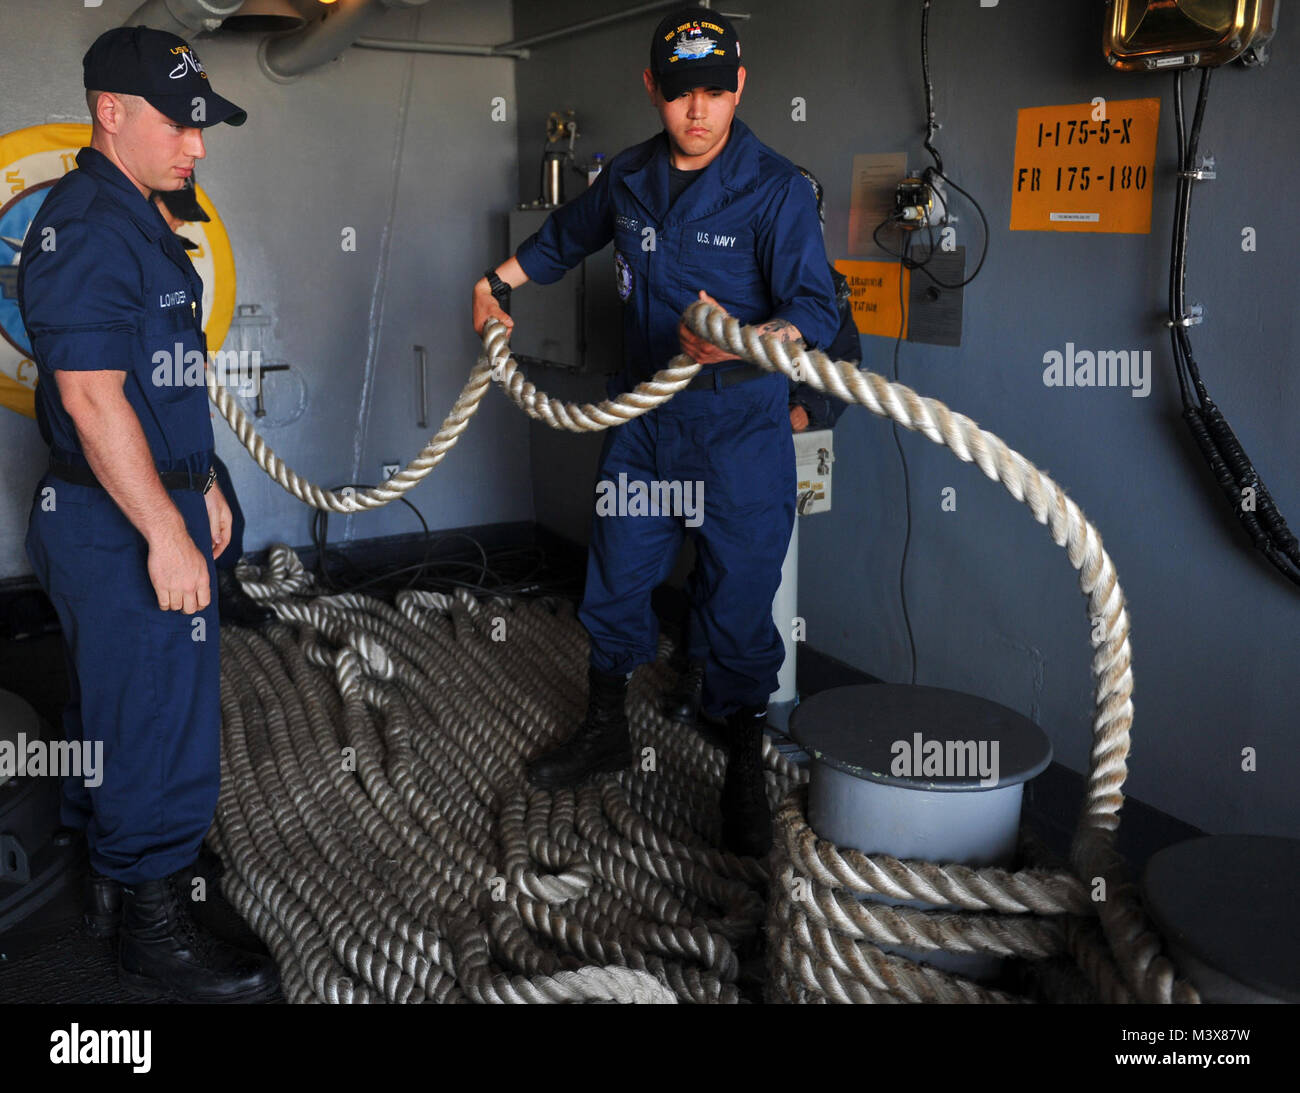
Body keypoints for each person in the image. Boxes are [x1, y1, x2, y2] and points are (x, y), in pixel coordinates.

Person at [471, 7, 839, 856]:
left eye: (715, 92)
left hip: (738, 433)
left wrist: (750, 340)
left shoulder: (776, 189)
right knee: (614, 579)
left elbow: (816, 308)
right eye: (681, 95)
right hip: (643, 423)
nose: (698, 111)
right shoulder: (629, 176)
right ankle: (606, 727)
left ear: (740, 87)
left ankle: (741, 766)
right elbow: (565, 238)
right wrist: (496, 281)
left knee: (741, 605)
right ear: (653, 91)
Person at [19, 25, 277, 1002]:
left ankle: (105, 883)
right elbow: (91, 398)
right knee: (159, 718)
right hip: (118, 520)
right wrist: (165, 530)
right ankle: (153, 931)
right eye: (179, 124)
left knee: (110, 705)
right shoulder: (89, 223)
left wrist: (198, 478)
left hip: (131, 494)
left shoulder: (128, 212)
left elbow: (151, 382)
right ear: (111, 113)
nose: (197, 144)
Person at [665, 165, 864, 730]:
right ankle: (698, 670)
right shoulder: (721, 272)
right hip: (715, 440)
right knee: (712, 562)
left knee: (750, 572)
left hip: (777, 444)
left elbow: (843, 361)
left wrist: (809, 410)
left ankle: (741, 710)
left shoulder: (826, 287)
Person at [151, 179, 273, 630]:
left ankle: (221, 586)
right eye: (175, 211)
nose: (182, 221)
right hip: (137, 430)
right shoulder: (117, 256)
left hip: (176, 423)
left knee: (223, 509)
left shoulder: (168, 260)